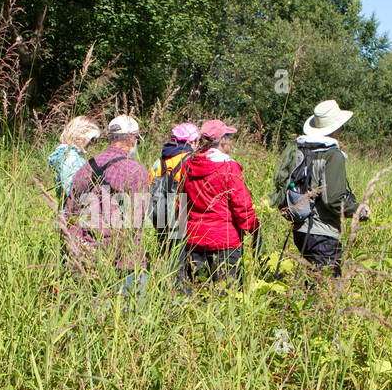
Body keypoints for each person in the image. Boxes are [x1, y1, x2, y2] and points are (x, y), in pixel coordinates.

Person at [269, 99, 368, 277]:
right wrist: (359, 210)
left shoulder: (300, 150)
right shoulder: (332, 154)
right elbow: (333, 200)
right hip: (323, 234)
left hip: (300, 231)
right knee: (327, 291)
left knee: (313, 285)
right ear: (336, 128)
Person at [61, 114, 151, 295]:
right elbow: (137, 219)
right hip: (122, 260)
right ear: (133, 139)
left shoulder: (85, 167)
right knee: (129, 316)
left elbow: (69, 213)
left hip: (86, 253)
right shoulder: (135, 170)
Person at [179, 119, 259, 285]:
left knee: (200, 293)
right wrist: (253, 229)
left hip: (195, 239)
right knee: (225, 293)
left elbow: (182, 203)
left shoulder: (189, 164)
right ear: (222, 141)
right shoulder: (228, 166)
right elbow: (241, 206)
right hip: (225, 241)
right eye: (229, 138)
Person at [147, 121, 198, 253]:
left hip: (157, 212)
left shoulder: (160, 160)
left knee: (163, 250)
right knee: (179, 254)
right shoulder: (190, 160)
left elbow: (150, 184)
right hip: (178, 213)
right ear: (192, 141)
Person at [48, 116, 101, 204]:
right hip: (74, 211)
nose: (92, 144)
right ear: (81, 136)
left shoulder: (68, 155)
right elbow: (71, 190)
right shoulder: (69, 157)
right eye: (91, 139)